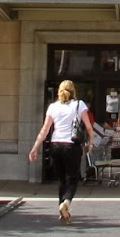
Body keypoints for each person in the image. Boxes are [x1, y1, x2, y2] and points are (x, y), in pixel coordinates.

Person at [28, 79, 94, 225]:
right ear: (73, 91)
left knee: (62, 179)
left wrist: (35, 148)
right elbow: (88, 127)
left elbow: (45, 130)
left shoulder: (53, 107)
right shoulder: (79, 104)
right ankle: (66, 203)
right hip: (71, 146)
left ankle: (63, 213)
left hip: (55, 145)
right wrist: (91, 142)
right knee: (73, 178)